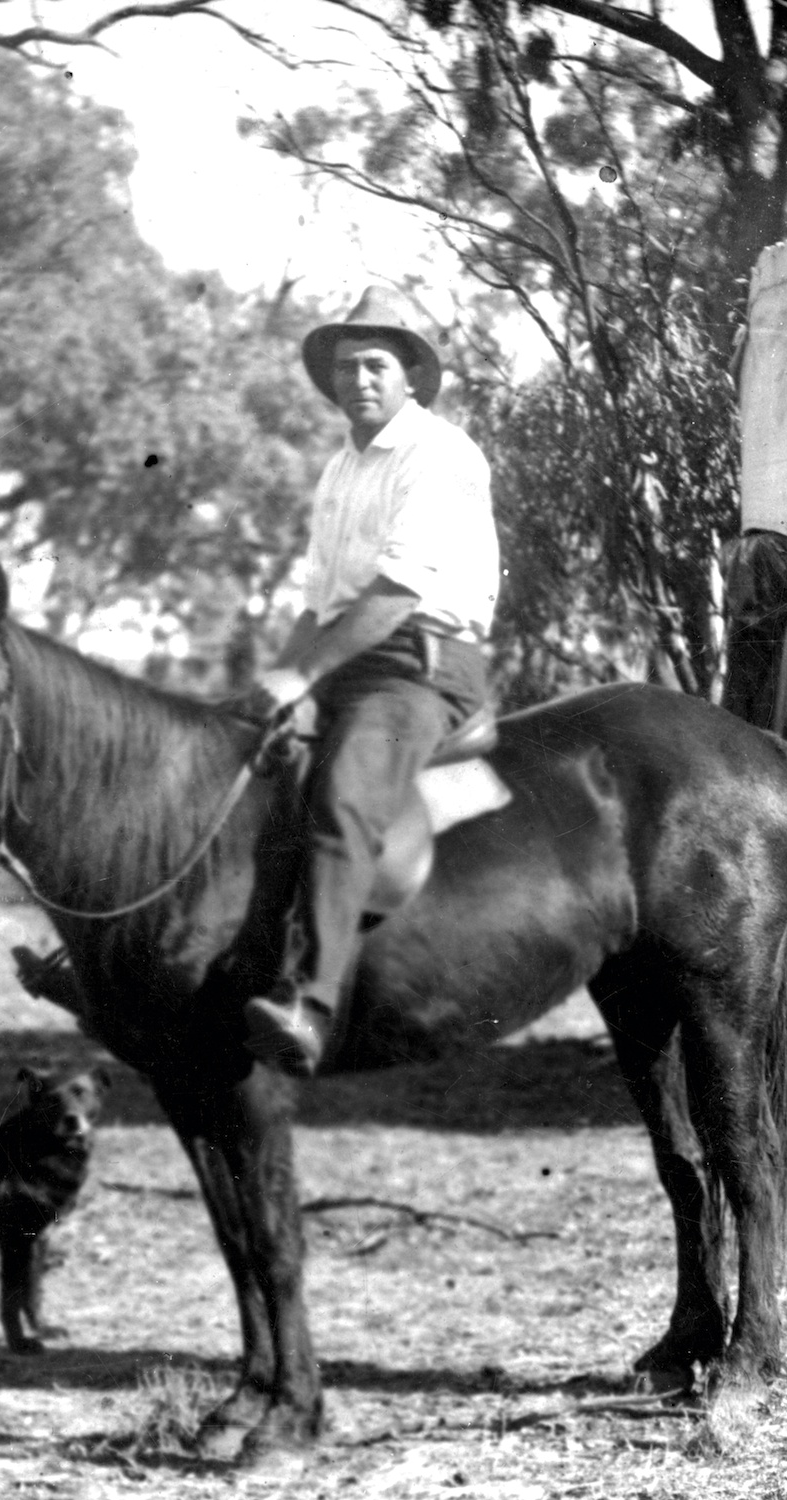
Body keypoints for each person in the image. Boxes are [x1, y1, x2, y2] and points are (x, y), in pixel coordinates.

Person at [241, 286, 500, 1074]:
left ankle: (311, 1004)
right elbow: (322, 602)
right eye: (348, 366)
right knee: (232, 754)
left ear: (411, 376)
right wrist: (280, 677)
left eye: (376, 364)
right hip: (351, 657)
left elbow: (393, 595)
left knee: (345, 795)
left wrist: (305, 675)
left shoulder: (438, 452)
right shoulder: (339, 468)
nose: (359, 378)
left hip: (420, 665)